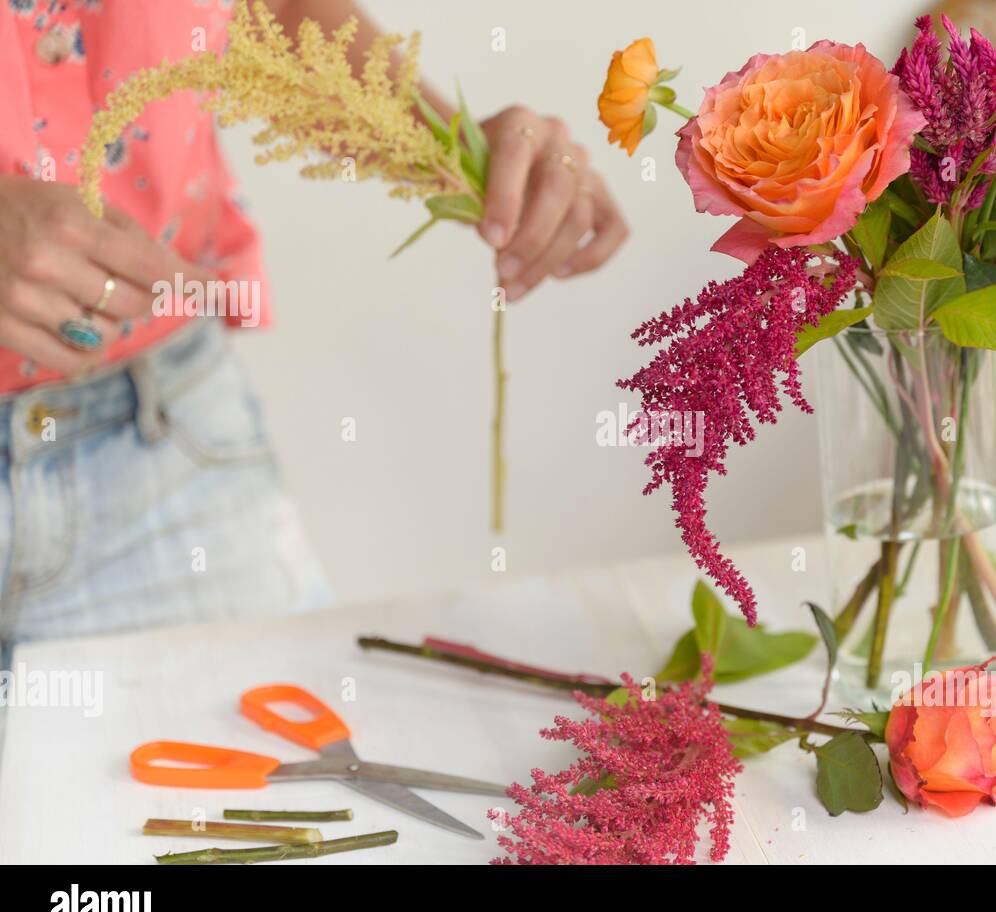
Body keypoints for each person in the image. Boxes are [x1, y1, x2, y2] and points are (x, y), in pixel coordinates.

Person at [0, 0, 627, 653]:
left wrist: (450, 147)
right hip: (161, 424)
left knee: (287, 743)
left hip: (162, 442)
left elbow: (266, 12)